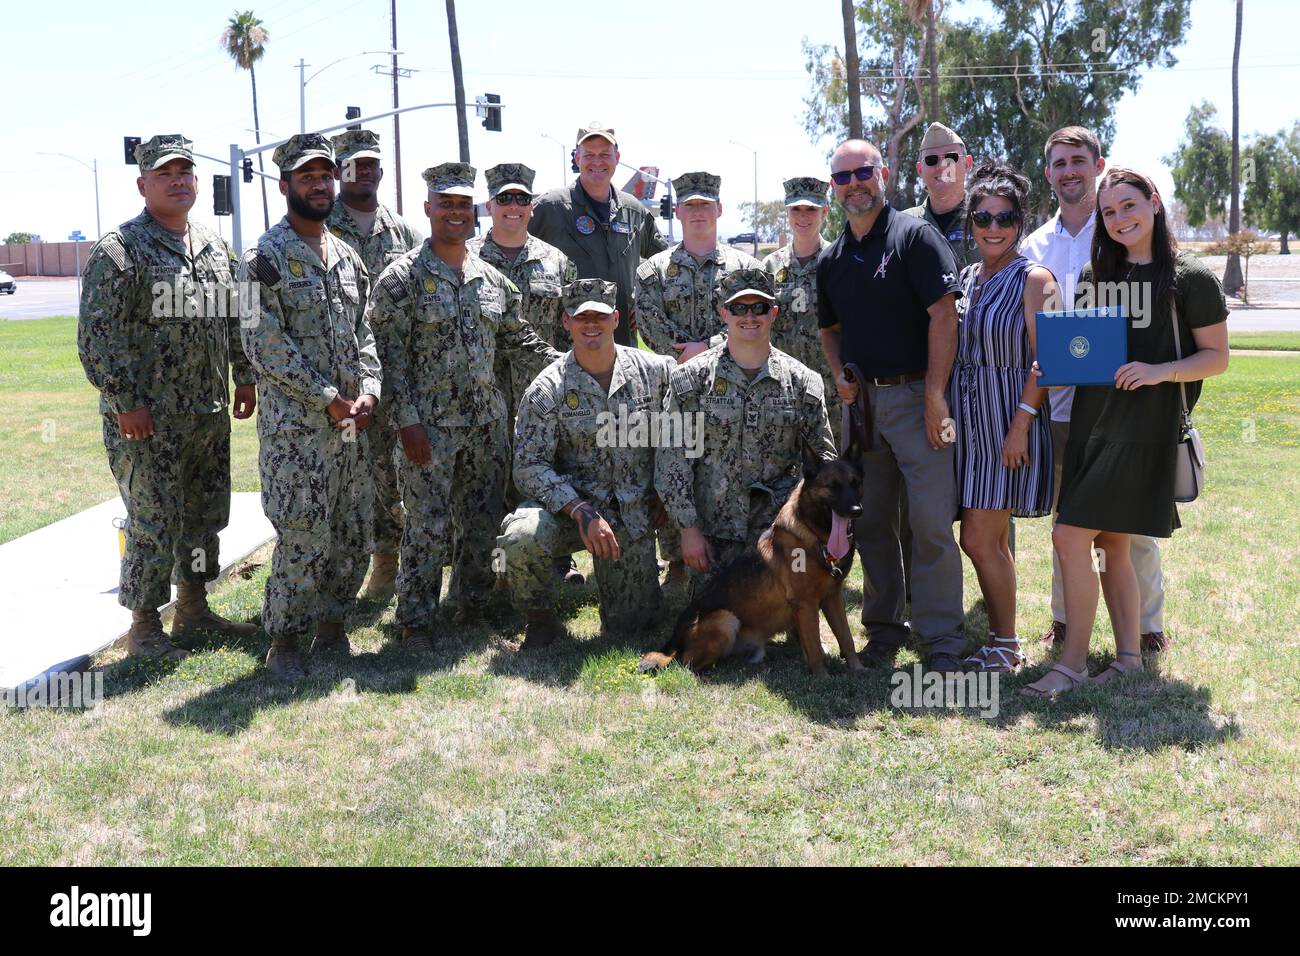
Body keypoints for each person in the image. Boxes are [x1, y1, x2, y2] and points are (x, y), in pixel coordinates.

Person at [1022, 167, 1229, 698]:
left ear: (1154, 203)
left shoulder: (1191, 278)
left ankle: (1069, 666)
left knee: (1069, 536)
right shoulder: (1096, 276)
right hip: (1094, 424)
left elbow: (1217, 358)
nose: (1119, 219)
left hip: (1145, 431)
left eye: (1129, 206)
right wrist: (1057, 364)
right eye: (1109, 211)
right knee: (1112, 543)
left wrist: (1160, 371)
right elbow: (1088, 351)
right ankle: (1129, 659)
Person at [364, 163, 560, 650]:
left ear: (474, 212)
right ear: (427, 208)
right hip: (427, 428)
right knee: (426, 525)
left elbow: (523, 342)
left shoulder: (492, 280)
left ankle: (471, 606)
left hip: (486, 426)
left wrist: (580, 361)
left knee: (481, 521)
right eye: (444, 203)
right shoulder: (400, 279)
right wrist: (407, 423)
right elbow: (388, 361)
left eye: (461, 204)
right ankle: (416, 620)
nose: (454, 212)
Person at [78, 133, 258, 661]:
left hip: (207, 413)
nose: (178, 180)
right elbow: (97, 336)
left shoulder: (211, 244)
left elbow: (234, 315)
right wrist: (124, 400)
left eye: (186, 172)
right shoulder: (120, 251)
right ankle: (144, 626)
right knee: (154, 520)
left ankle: (195, 606)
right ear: (143, 184)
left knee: (204, 515)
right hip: (147, 420)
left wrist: (243, 375)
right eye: (165, 173)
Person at [816, 138, 966, 673]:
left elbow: (944, 317)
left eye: (862, 172)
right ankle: (883, 629)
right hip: (864, 409)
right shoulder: (832, 259)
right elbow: (829, 330)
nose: (853, 184)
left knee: (929, 524)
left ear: (882, 173)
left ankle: (943, 638)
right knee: (872, 521)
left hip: (919, 396)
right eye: (842, 177)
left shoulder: (914, 237)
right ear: (833, 187)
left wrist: (934, 397)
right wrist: (838, 373)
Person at [1020, 126, 1170, 655]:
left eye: (1078, 160)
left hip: (1126, 406)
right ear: (1048, 174)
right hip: (1062, 408)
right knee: (1070, 523)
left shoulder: (1122, 230)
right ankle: (1065, 623)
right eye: (1058, 163)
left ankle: (1148, 629)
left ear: (1098, 163)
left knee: (1131, 528)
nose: (1069, 171)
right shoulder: (1033, 245)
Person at [239, 133, 380, 681]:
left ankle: (333, 625)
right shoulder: (261, 261)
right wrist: (327, 399)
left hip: (351, 426)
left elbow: (364, 328)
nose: (320, 184)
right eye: (307, 177)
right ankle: (287, 640)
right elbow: (263, 343)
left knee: (352, 532)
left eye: (326, 175)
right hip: (298, 432)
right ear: (285, 186)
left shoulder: (346, 256)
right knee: (303, 534)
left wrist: (368, 387)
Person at [498, 279, 673, 648]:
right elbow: (529, 466)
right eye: (581, 318)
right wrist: (581, 511)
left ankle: (681, 580)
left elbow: (680, 435)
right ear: (566, 322)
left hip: (630, 513)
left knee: (633, 630)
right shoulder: (547, 388)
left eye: (599, 316)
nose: (591, 324)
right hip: (568, 514)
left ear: (616, 318)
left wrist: (665, 488)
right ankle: (540, 619)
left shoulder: (656, 373)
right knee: (522, 535)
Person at [656, 268, 835, 595]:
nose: (749, 316)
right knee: (718, 626)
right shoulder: (691, 381)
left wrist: (818, 529)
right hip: (715, 533)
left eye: (760, 308)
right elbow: (673, 461)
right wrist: (688, 531)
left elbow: (824, 464)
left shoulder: (803, 382)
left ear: (774, 313)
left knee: (793, 616)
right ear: (724, 312)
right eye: (739, 308)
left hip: (783, 533)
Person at [947, 163, 1055, 674]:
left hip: (1007, 422)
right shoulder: (967, 278)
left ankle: (1006, 645)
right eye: (983, 216)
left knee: (978, 538)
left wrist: (1020, 425)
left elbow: (1048, 360)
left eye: (1005, 217)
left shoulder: (1036, 279)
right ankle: (1002, 641)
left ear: (1021, 220)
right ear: (970, 222)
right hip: (968, 422)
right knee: (983, 538)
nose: (993, 226)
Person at [636, 171, 762, 587]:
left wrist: (707, 345)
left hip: (733, 391)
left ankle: (736, 554)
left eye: (705, 205)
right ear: (677, 211)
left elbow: (753, 319)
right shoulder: (653, 271)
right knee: (675, 468)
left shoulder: (745, 267)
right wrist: (687, 352)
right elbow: (650, 324)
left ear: (719, 210)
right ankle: (675, 560)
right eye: (689, 205)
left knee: (728, 469)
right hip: (675, 392)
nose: (697, 213)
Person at [467, 163, 582, 586]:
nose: (512, 207)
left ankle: (557, 561)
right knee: (488, 487)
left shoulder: (557, 262)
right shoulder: (468, 258)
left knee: (546, 476)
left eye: (520, 199)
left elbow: (572, 326)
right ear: (489, 205)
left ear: (531, 207)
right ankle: (497, 574)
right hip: (485, 398)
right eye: (504, 199)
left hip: (543, 398)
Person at [326, 129, 423, 601]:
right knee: (344, 472)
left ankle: (388, 563)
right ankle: (336, 569)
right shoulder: (323, 225)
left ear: (381, 170)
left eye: (370, 163)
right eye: (352, 164)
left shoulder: (404, 233)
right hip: (340, 380)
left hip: (395, 373)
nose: (363, 171)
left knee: (389, 471)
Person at [529, 122, 667, 347]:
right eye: (589, 154)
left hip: (622, 344)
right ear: (577, 159)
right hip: (567, 346)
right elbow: (512, 252)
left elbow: (666, 264)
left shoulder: (633, 211)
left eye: (604, 154)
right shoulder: (550, 208)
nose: (597, 162)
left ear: (617, 157)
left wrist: (647, 303)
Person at [762, 176, 840, 442]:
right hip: (782, 393)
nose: (803, 216)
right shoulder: (770, 267)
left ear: (825, 212)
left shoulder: (839, 261)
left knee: (831, 473)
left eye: (811, 209)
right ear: (786, 211)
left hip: (831, 393)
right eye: (796, 209)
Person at [902, 121, 978, 270]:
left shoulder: (990, 217)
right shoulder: (902, 226)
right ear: (919, 169)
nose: (942, 166)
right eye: (931, 160)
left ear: (967, 163)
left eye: (951, 157)